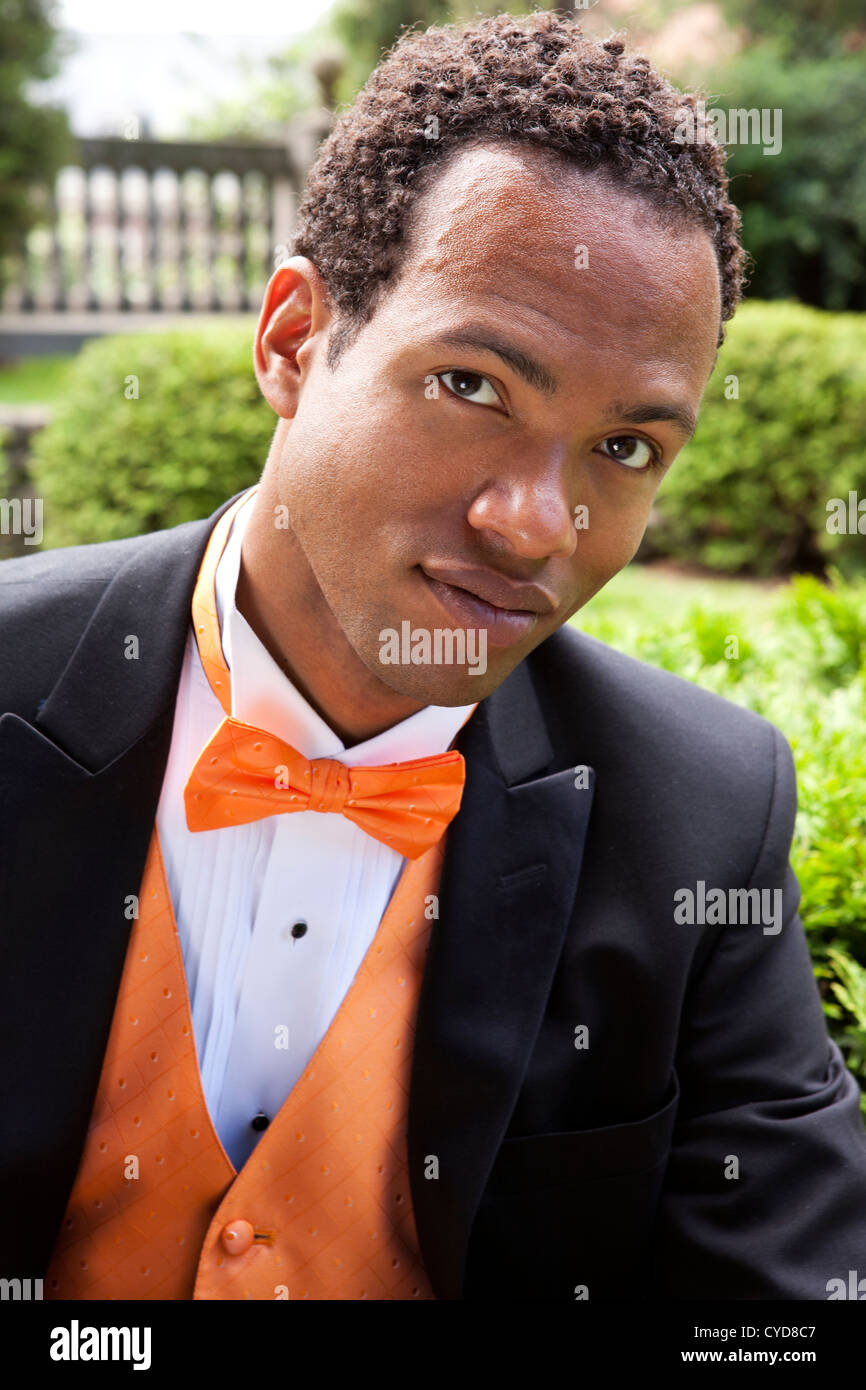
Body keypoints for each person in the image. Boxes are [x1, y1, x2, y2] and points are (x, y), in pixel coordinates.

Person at [1, 11, 864, 1302]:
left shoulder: (701, 809)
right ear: (294, 339)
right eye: (471, 384)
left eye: (623, 448)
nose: (532, 522)